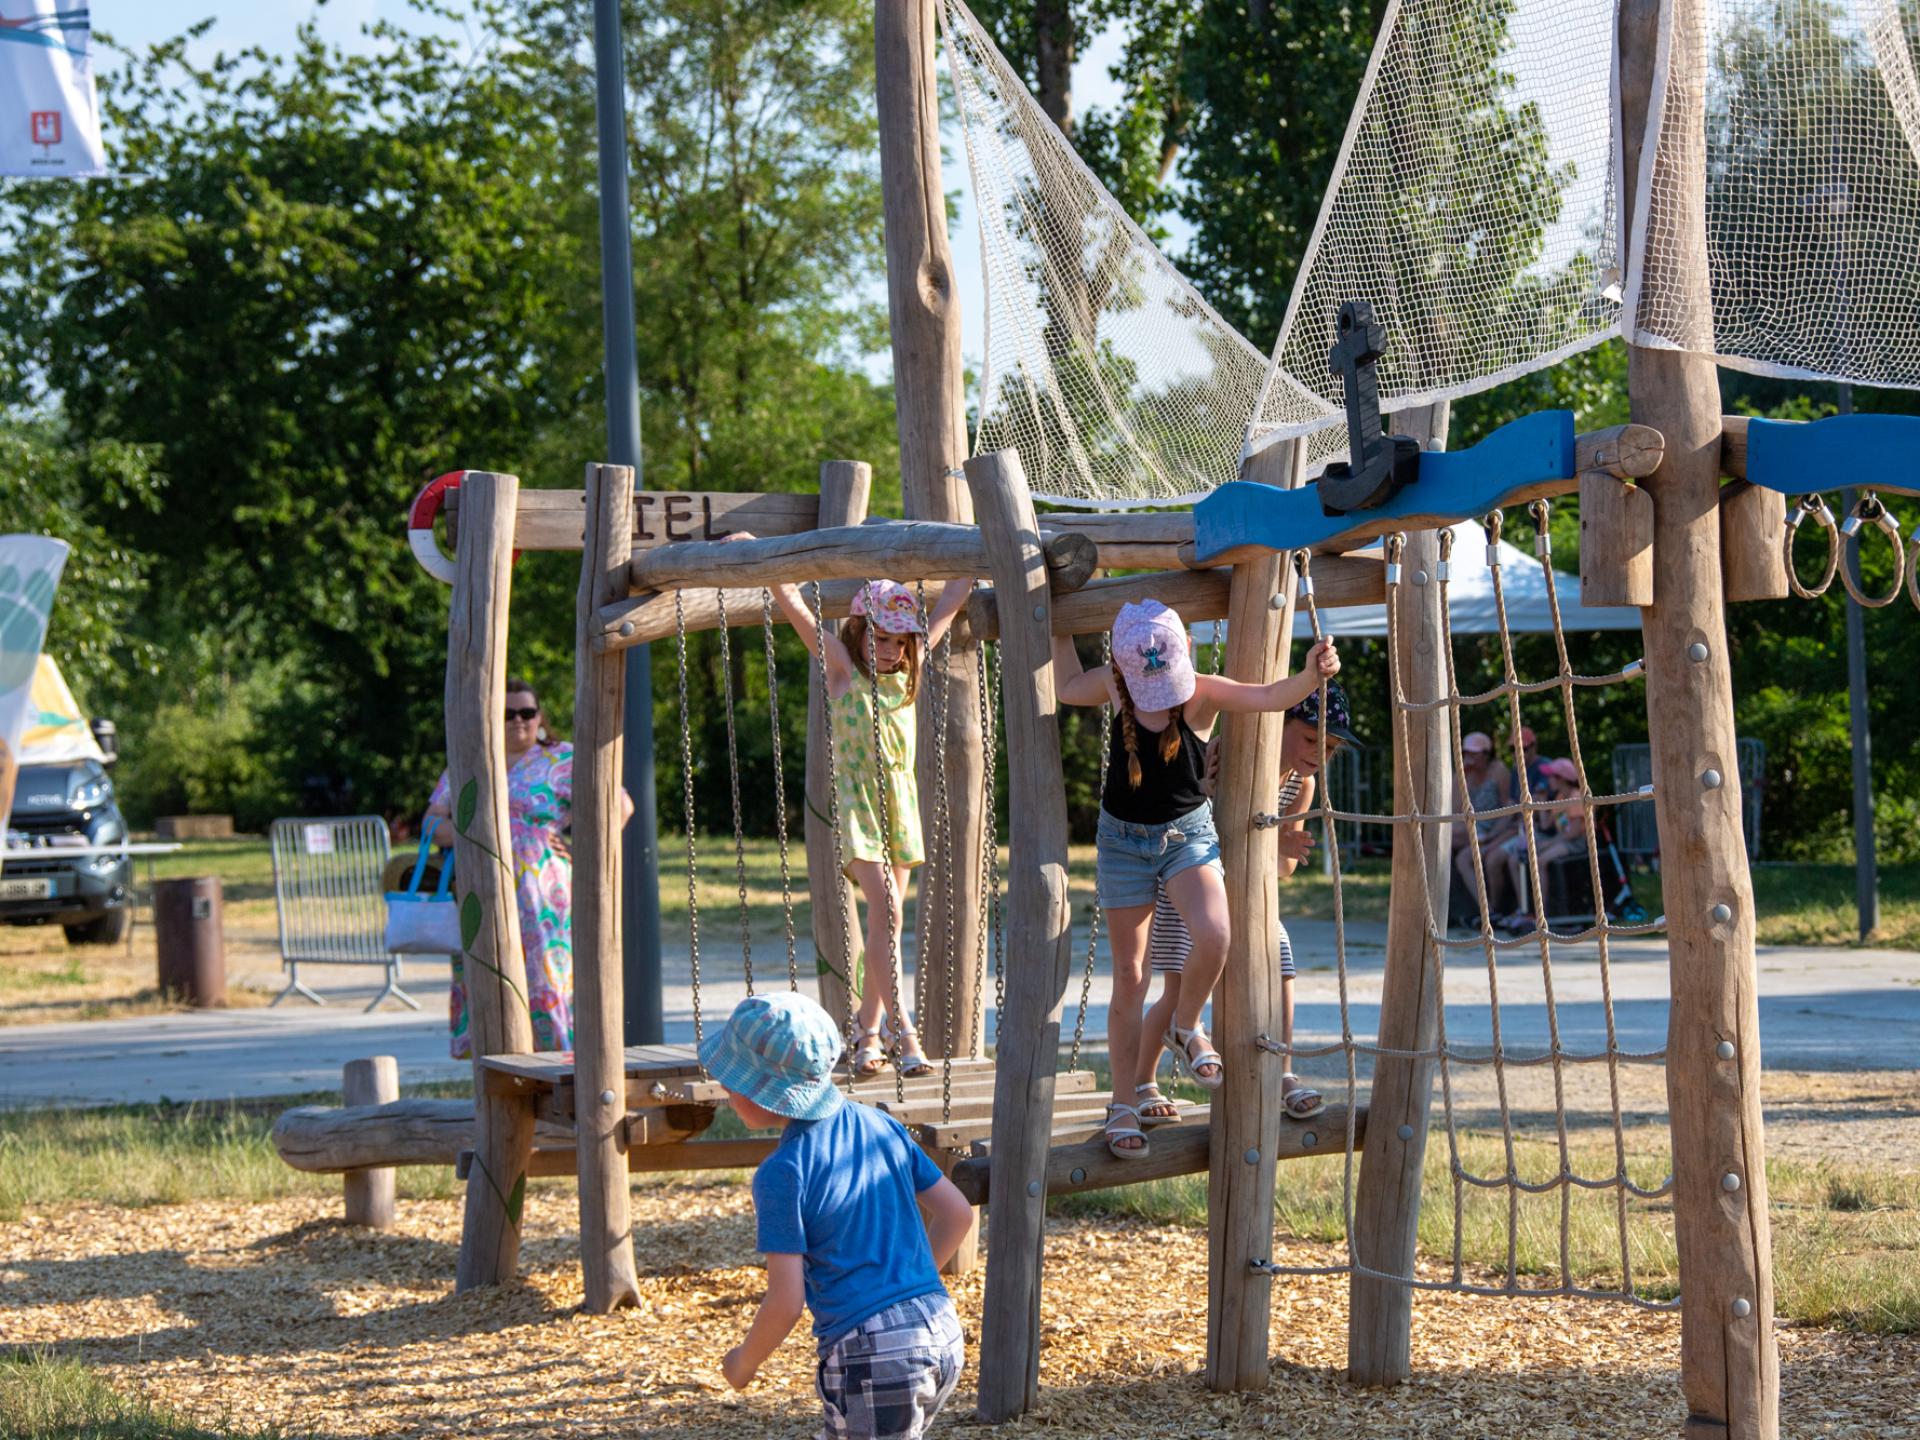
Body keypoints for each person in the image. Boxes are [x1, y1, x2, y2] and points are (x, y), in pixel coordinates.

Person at [1051, 599, 1338, 1160]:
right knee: (1131, 976)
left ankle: (1186, 1025)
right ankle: (1123, 1101)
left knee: (1216, 935)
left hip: (1186, 835)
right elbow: (1064, 686)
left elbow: (1268, 697)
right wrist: (1062, 621)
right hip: (1122, 843)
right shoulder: (1116, 685)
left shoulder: (1202, 691)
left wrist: (1310, 673)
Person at [708, 992, 973, 1439]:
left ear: (764, 1091)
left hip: (872, 1351)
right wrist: (909, 1291)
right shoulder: (881, 1125)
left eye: (733, 1080)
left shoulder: (783, 1172)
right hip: (940, 1326)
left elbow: (785, 1302)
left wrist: (743, 1361)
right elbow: (958, 1214)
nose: (726, 1091)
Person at [761, 567, 973, 1080]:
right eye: (881, 637)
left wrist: (967, 565)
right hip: (857, 801)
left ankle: (866, 1034)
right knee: (889, 911)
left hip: (898, 802)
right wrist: (766, 563)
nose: (891, 649)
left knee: (888, 923)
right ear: (858, 631)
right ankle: (906, 1032)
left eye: (900, 641)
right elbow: (797, 610)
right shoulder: (841, 667)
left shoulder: (907, 670)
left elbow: (947, 606)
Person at [1136, 682, 1361, 1127]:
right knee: (1179, 989)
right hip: (1192, 885)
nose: (1319, 752)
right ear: (1279, 722)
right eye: (1312, 738)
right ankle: (1144, 1082)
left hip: (1248, 894)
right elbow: (1191, 813)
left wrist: (1284, 846)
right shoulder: (1225, 752)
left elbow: (1281, 871)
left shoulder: (1301, 785)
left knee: (1281, 969)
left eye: (1331, 747)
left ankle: (1283, 1072)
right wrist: (1207, 784)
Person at [426, 677, 629, 1058]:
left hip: (543, 897)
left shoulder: (563, 758)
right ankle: (499, 1065)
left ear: (539, 717)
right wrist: (474, 832)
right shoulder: (470, 758)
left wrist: (581, 846)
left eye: (527, 712)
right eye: (507, 713)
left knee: (545, 974)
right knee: (488, 973)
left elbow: (619, 805)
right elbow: (432, 822)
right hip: (479, 889)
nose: (518, 721)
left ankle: (559, 1068)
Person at [1495, 757, 1588, 933]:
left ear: (1562, 778)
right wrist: (1542, 804)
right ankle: (1524, 909)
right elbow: (1546, 825)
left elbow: (1574, 832)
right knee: (1516, 859)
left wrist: (1546, 845)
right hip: (1562, 840)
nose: (1548, 781)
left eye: (1552, 777)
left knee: (1541, 860)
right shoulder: (1560, 797)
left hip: (1575, 843)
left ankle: (1541, 912)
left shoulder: (1575, 797)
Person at [1451, 730, 1517, 924]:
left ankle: (1490, 909)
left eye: (1473, 753)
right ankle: (1473, 908)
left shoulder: (1498, 771)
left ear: (1486, 753)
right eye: (1465, 753)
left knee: (1463, 856)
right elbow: (1454, 810)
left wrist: (1493, 837)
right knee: (1438, 839)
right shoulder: (1463, 775)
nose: (1468, 758)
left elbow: (1508, 808)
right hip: (1471, 829)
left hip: (1494, 829)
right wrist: (1462, 779)